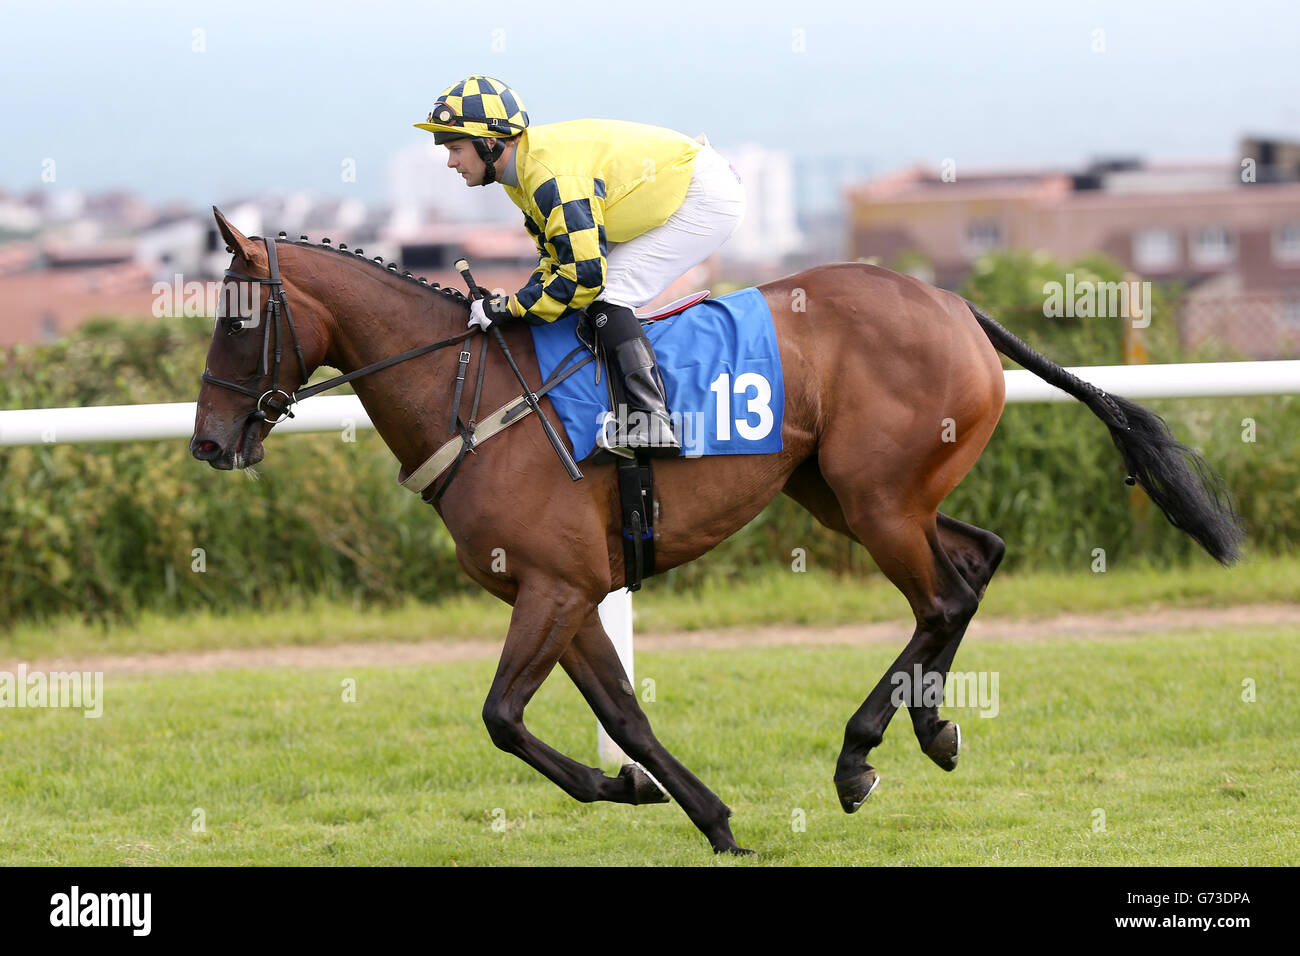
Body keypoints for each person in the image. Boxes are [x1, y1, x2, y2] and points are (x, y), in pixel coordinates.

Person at [415, 74, 745, 458]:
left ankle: (651, 421)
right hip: (676, 186)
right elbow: (555, 258)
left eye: (455, 148)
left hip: (704, 196)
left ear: (489, 143)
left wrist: (510, 308)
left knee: (606, 295)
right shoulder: (518, 175)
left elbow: (583, 278)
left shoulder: (548, 176)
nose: (451, 162)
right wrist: (518, 302)